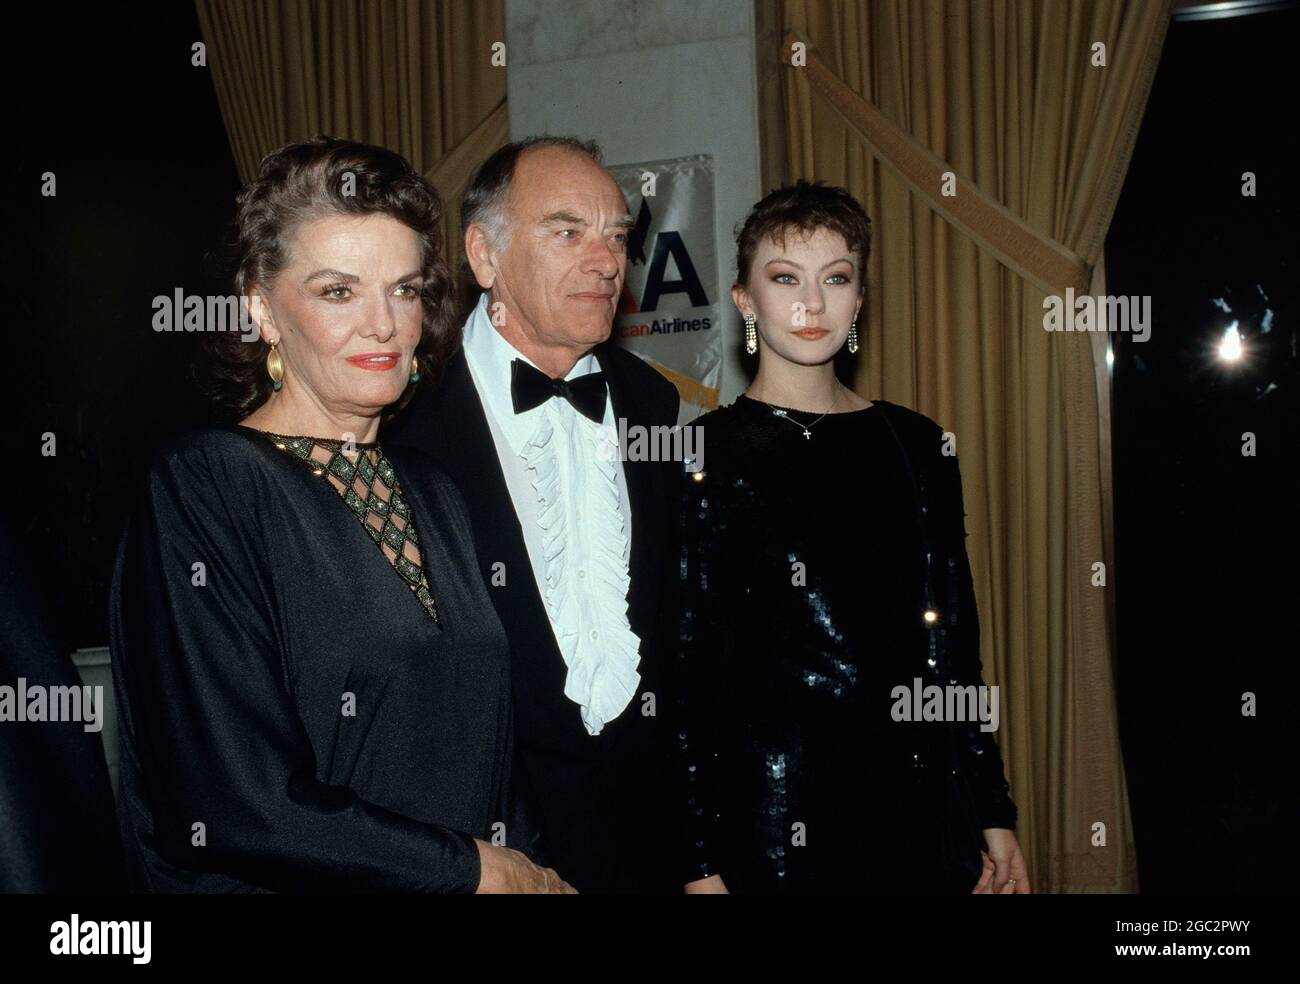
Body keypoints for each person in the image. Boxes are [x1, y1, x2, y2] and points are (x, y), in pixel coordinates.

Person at [110, 136, 571, 893]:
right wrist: (469, 871)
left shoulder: (433, 490)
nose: (383, 324)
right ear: (262, 307)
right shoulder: (204, 488)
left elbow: (490, 749)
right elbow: (234, 796)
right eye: (337, 291)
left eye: (404, 289)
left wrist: (530, 868)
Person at [672, 181, 1030, 893]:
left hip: (917, 814)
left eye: (835, 278)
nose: (812, 304)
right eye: (785, 279)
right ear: (746, 301)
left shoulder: (919, 444)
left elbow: (953, 642)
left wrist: (992, 809)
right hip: (770, 819)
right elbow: (685, 671)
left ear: (859, 300)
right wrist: (697, 862)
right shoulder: (702, 453)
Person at [385, 137, 680, 893]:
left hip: (644, 850)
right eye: (567, 231)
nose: (607, 260)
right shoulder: (403, 419)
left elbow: (675, 643)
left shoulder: (654, 404)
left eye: (617, 235)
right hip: (485, 858)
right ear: (483, 257)